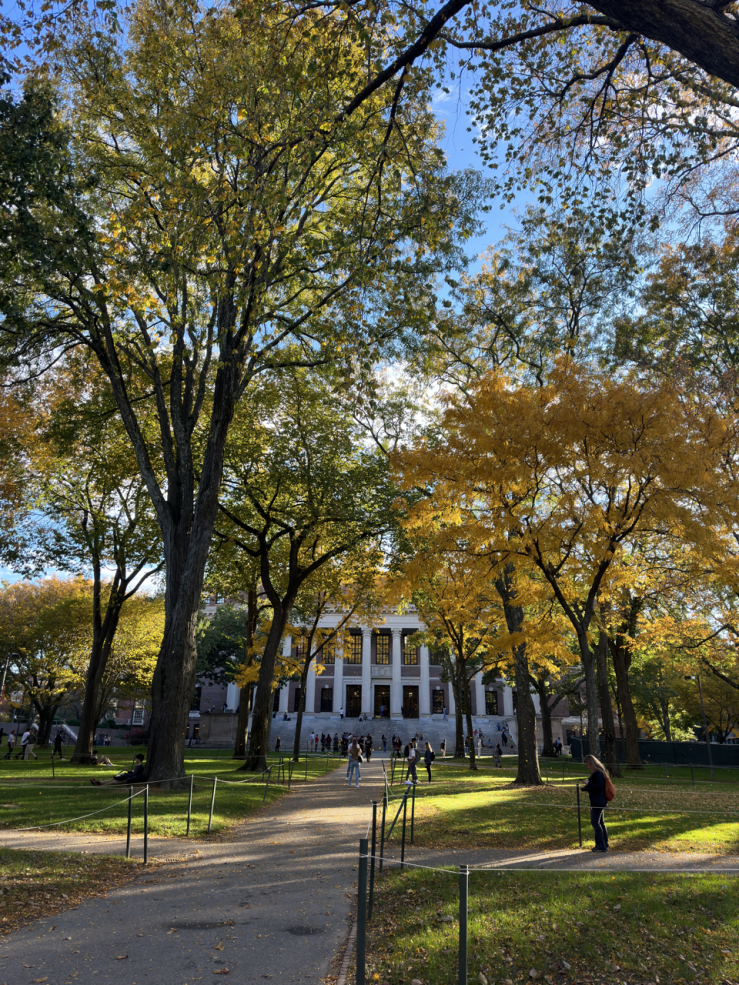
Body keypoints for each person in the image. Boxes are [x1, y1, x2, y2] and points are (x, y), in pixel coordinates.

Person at [581, 754, 610, 852]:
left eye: (589, 765)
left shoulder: (598, 773)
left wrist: (588, 783)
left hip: (597, 801)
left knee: (595, 822)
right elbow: (595, 786)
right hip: (598, 800)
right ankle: (604, 843)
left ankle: (601, 845)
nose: (588, 767)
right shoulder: (598, 772)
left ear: (592, 763)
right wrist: (585, 788)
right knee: (601, 822)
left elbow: (598, 786)